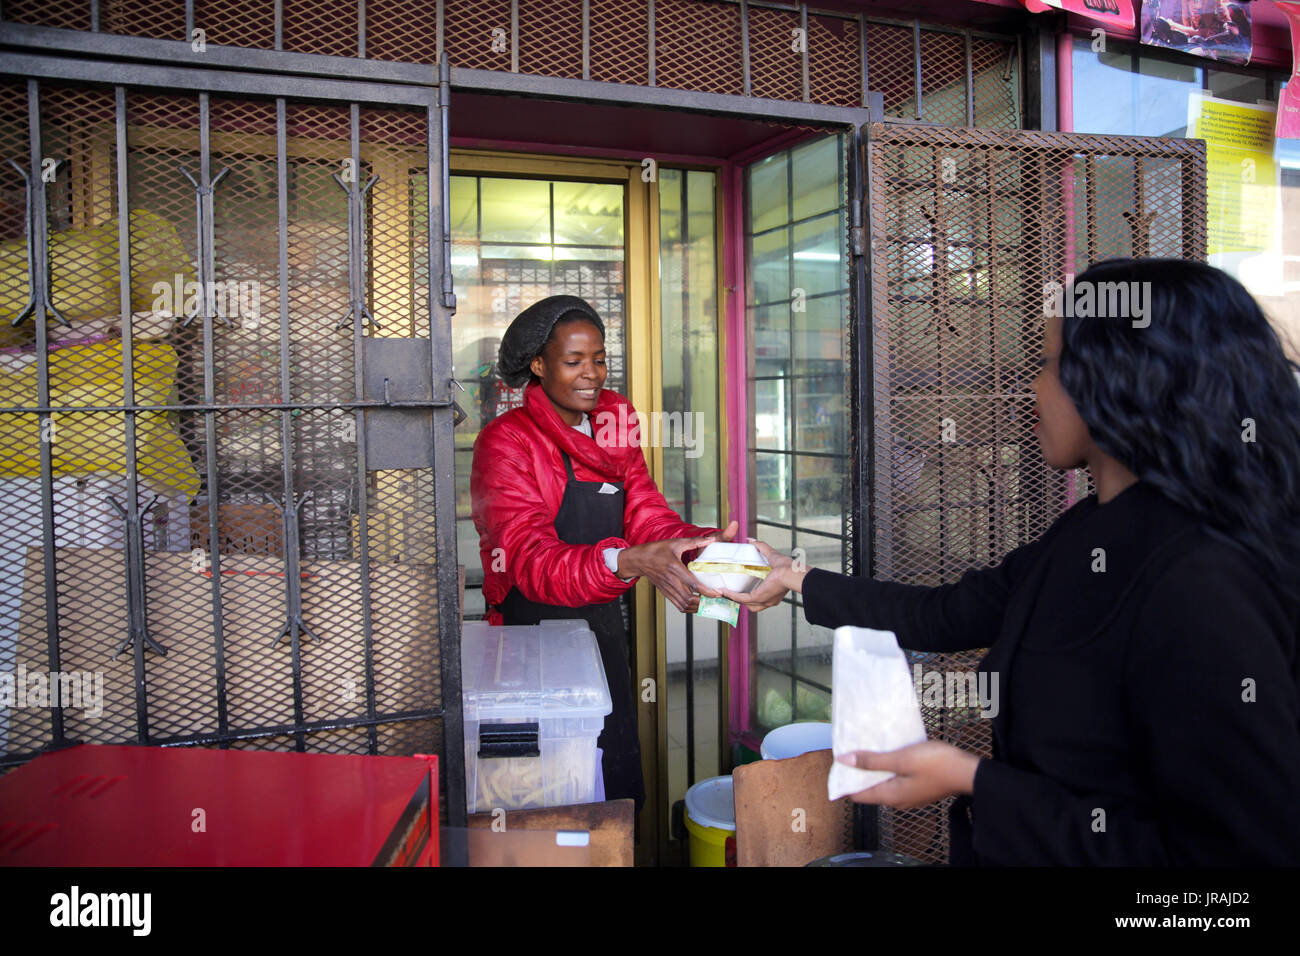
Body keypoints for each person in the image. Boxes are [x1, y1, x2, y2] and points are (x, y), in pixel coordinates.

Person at [724, 258, 1300, 865]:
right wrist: (793, 577)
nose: (1033, 388)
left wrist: (973, 779)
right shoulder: (1090, 531)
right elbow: (948, 613)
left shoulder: (1205, 582)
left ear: (1115, 377)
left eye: (1048, 365)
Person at [471, 295, 736, 813]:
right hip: (532, 637)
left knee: (610, 764)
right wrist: (630, 561)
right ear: (539, 366)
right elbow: (528, 560)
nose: (590, 374)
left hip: (602, 624)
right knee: (549, 784)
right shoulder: (506, 443)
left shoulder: (615, 427)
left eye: (599, 358)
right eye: (573, 362)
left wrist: (701, 548)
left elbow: (646, 514)